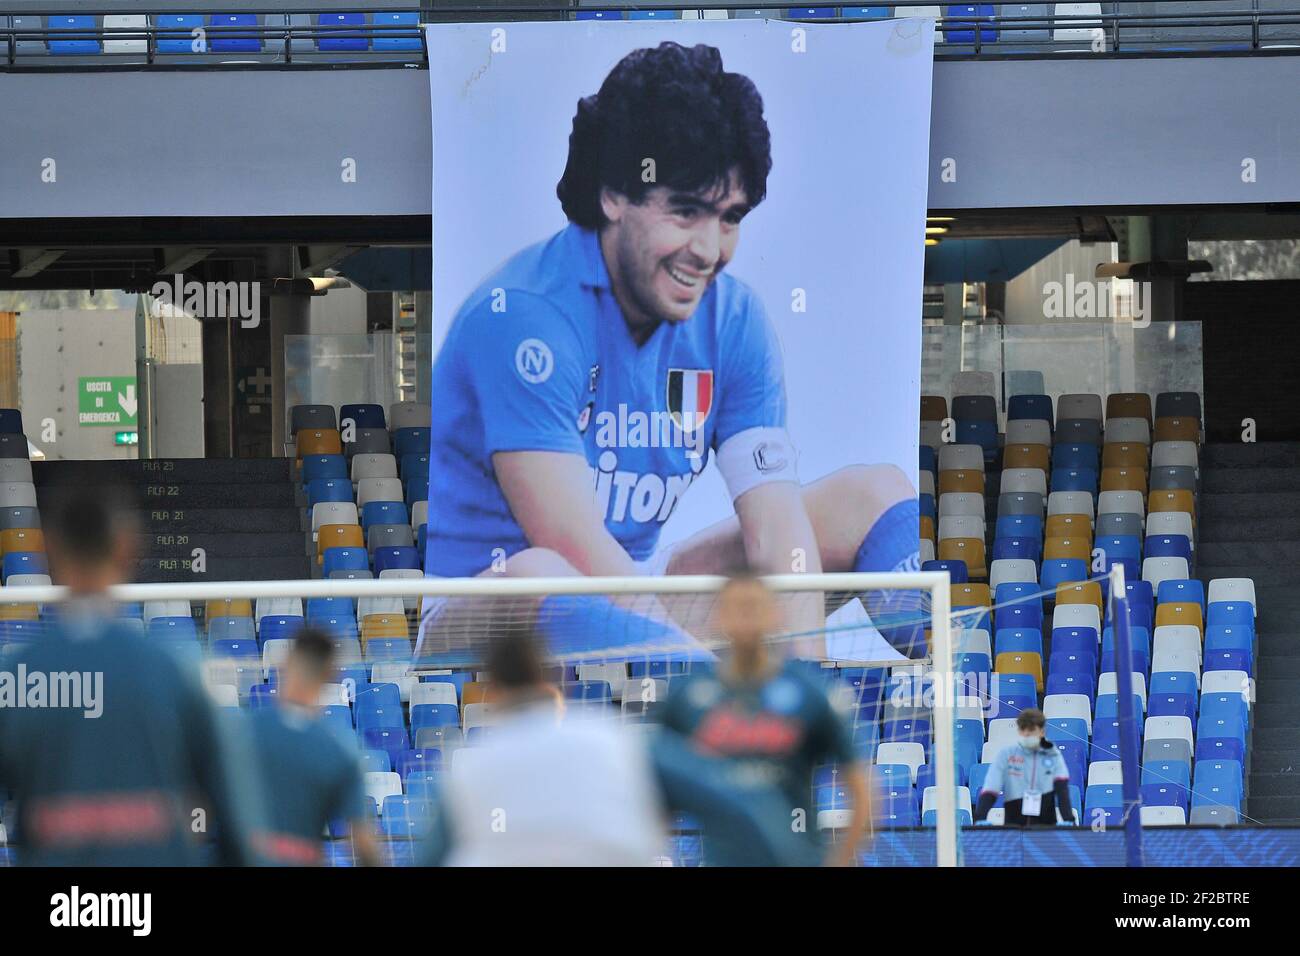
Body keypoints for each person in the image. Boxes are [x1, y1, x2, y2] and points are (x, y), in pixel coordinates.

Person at [419, 40, 919, 660]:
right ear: (612, 196)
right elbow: (571, 542)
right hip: (489, 617)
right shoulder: (526, 316)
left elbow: (776, 529)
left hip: (629, 596)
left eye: (729, 218)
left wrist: (800, 681)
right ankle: (690, 694)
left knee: (870, 493)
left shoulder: (734, 320)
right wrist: (703, 672)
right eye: (685, 212)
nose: (709, 249)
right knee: (541, 568)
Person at [0, 484, 262, 866]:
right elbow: (238, 829)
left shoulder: (17, 678)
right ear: (126, 547)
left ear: (50, 550)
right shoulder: (175, 674)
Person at [658, 573, 874, 866]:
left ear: (775, 614)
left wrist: (841, 859)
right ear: (718, 618)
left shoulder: (812, 693)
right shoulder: (685, 697)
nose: (746, 616)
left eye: (755, 606)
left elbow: (860, 787)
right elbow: (656, 794)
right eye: (737, 607)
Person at [423, 623, 668, 866]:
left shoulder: (472, 766)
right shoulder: (611, 736)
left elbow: (432, 855)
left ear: (493, 689)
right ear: (555, 680)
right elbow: (700, 789)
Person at [245, 629, 381, 866]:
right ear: (331, 674)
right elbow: (362, 840)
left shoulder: (241, 732)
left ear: (284, 666)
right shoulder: (338, 751)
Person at [973, 708, 1077, 827]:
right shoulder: (1006, 754)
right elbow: (991, 786)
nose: (1027, 733)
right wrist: (980, 816)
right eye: (1023, 729)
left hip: (1046, 827)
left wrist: (1068, 818)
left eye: (1032, 730)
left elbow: (1062, 788)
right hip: (1014, 826)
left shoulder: (1053, 754)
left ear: (1042, 731)